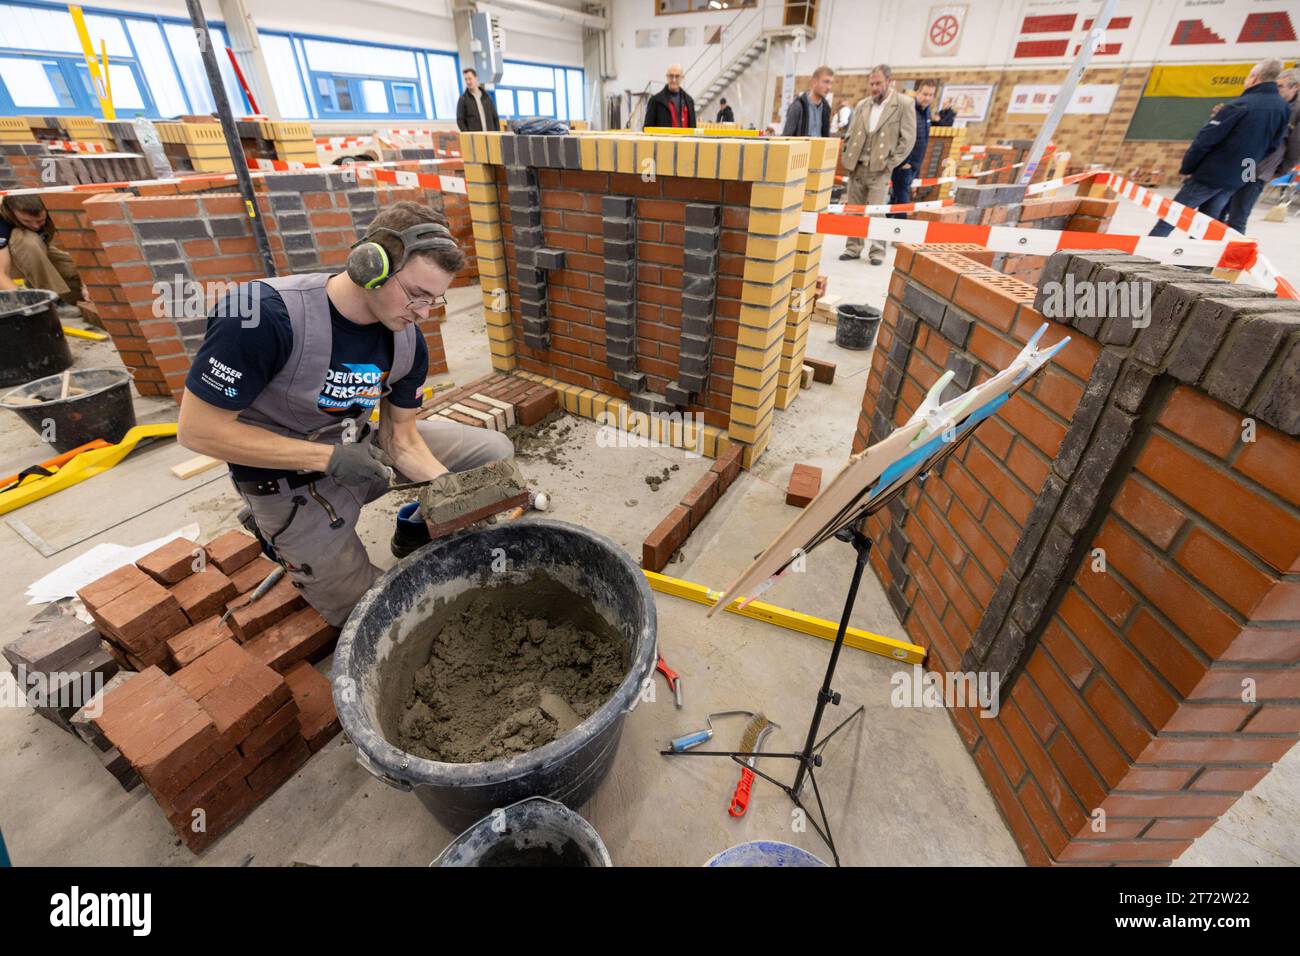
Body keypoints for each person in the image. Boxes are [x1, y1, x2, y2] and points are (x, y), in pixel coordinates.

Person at [177, 201, 513, 627]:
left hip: (361, 451)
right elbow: (197, 432)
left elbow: (402, 440)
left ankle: (414, 534)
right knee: (370, 616)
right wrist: (328, 459)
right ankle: (278, 532)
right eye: (416, 295)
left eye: (435, 299)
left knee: (491, 457)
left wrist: (452, 494)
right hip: (285, 480)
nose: (425, 313)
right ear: (368, 264)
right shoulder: (262, 315)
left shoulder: (407, 340)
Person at [1150, 58, 1290, 237]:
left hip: (1210, 175)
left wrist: (1188, 167)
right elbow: (1272, 146)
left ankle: (1140, 259)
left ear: (1254, 77)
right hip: (1237, 177)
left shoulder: (1240, 104)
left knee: (1171, 218)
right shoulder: (1282, 108)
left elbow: (1205, 140)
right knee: (1207, 226)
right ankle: (1197, 265)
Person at [838, 64, 916, 264]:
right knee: (854, 211)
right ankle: (853, 248)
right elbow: (851, 133)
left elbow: (908, 139)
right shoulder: (863, 104)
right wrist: (847, 156)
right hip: (857, 166)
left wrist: (891, 163)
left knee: (877, 213)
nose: (874, 88)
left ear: (889, 81)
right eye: (871, 83)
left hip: (880, 169)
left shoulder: (904, 104)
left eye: (878, 83)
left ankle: (877, 252)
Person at [1225, 67, 1299, 233]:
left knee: (1238, 214)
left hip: (1260, 167)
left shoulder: (1295, 109)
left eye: (1281, 86)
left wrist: (1283, 169)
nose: (1276, 89)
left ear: (1295, 87)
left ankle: (1234, 254)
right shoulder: (1270, 102)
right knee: (1222, 208)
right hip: (1243, 161)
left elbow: (1296, 145)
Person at [0, 195, 82, 315]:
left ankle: (37, 285)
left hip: (39, 251)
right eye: (27, 221)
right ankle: (52, 301)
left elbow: (84, 252)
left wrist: (86, 284)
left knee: (79, 269)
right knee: (26, 239)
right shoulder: (1, 221)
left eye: (40, 221)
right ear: (12, 214)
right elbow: (1, 275)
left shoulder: (53, 209)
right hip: (8, 259)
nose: (36, 226)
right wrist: (30, 299)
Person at [889, 79, 935, 213]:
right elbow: (901, 137)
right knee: (903, 202)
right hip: (904, 166)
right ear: (917, 93)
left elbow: (923, 140)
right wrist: (904, 161)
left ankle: (889, 223)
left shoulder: (926, 112)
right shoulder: (909, 109)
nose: (927, 98)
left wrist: (917, 167)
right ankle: (901, 229)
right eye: (925, 94)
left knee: (896, 199)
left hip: (914, 165)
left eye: (931, 95)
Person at [782, 66, 834, 137]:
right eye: (826, 82)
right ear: (814, 82)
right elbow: (786, 137)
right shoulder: (798, 106)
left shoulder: (826, 108)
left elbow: (825, 135)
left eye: (831, 83)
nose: (829, 87)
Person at [644, 64, 695, 129]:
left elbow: (693, 129)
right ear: (667, 77)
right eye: (671, 76)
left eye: (677, 76)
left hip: (684, 139)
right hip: (662, 139)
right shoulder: (655, 101)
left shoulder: (689, 101)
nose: (674, 80)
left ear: (682, 78)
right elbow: (648, 129)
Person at [456, 67, 500, 132]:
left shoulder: (487, 97)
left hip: (491, 135)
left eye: (470, 78)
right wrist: (469, 135)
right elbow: (460, 120)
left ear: (476, 78)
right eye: (466, 79)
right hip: (475, 138)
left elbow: (495, 117)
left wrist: (497, 133)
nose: (468, 82)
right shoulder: (463, 99)